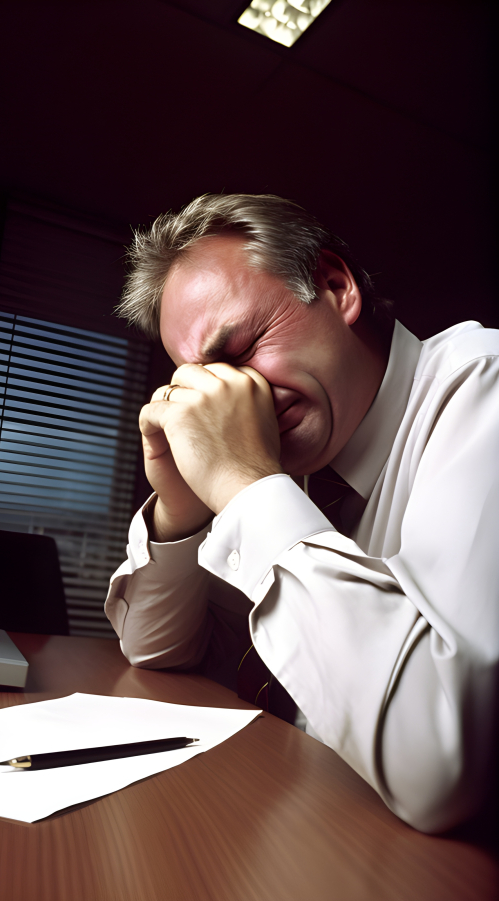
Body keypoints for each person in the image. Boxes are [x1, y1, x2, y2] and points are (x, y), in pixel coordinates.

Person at [105, 194, 499, 834]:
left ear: (337, 287)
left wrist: (245, 482)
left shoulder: (483, 387)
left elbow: (440, 771)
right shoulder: (302, 467)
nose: (234, 399)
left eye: (239, 352)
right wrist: (180, 504)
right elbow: (155, 650)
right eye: (201, 383)